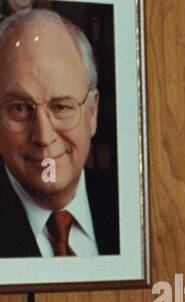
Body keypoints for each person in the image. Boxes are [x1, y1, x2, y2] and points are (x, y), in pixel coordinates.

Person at [0, 8, 118, 258]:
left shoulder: (130, 209)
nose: (43, 137)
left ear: (93, 111)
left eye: (62, 106)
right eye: (20, 108)